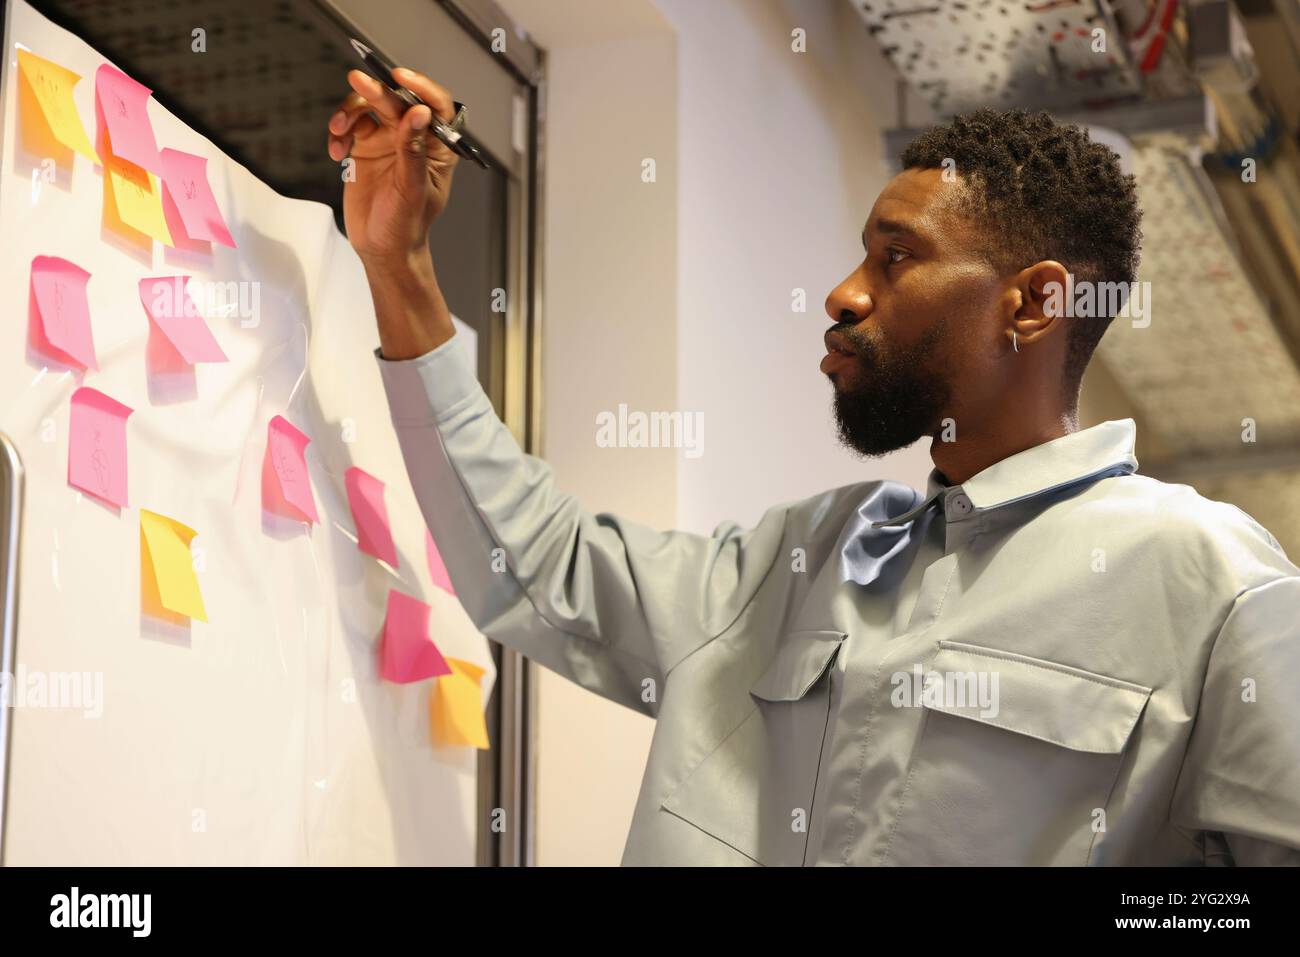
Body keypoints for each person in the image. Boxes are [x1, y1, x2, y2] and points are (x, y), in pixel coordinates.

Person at [325, 67, 1300, 866]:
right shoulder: (795, 562)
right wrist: (398, 265)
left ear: (1033, 304)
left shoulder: (1212, 584)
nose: (842, 293)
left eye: (895, 259)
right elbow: (536, 566)